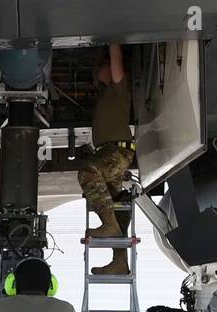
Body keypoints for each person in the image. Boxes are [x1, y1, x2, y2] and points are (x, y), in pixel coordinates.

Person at [78, 43, 135, 275]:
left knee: (88, 173)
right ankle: (120, 261)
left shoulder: (118, 89)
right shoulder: (107, 95)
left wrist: (112, 41)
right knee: (117, 203)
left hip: (116, 152)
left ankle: (109, 225)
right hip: (109, 153)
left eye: (104, 66)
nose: (98, 71)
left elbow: (116, 60)